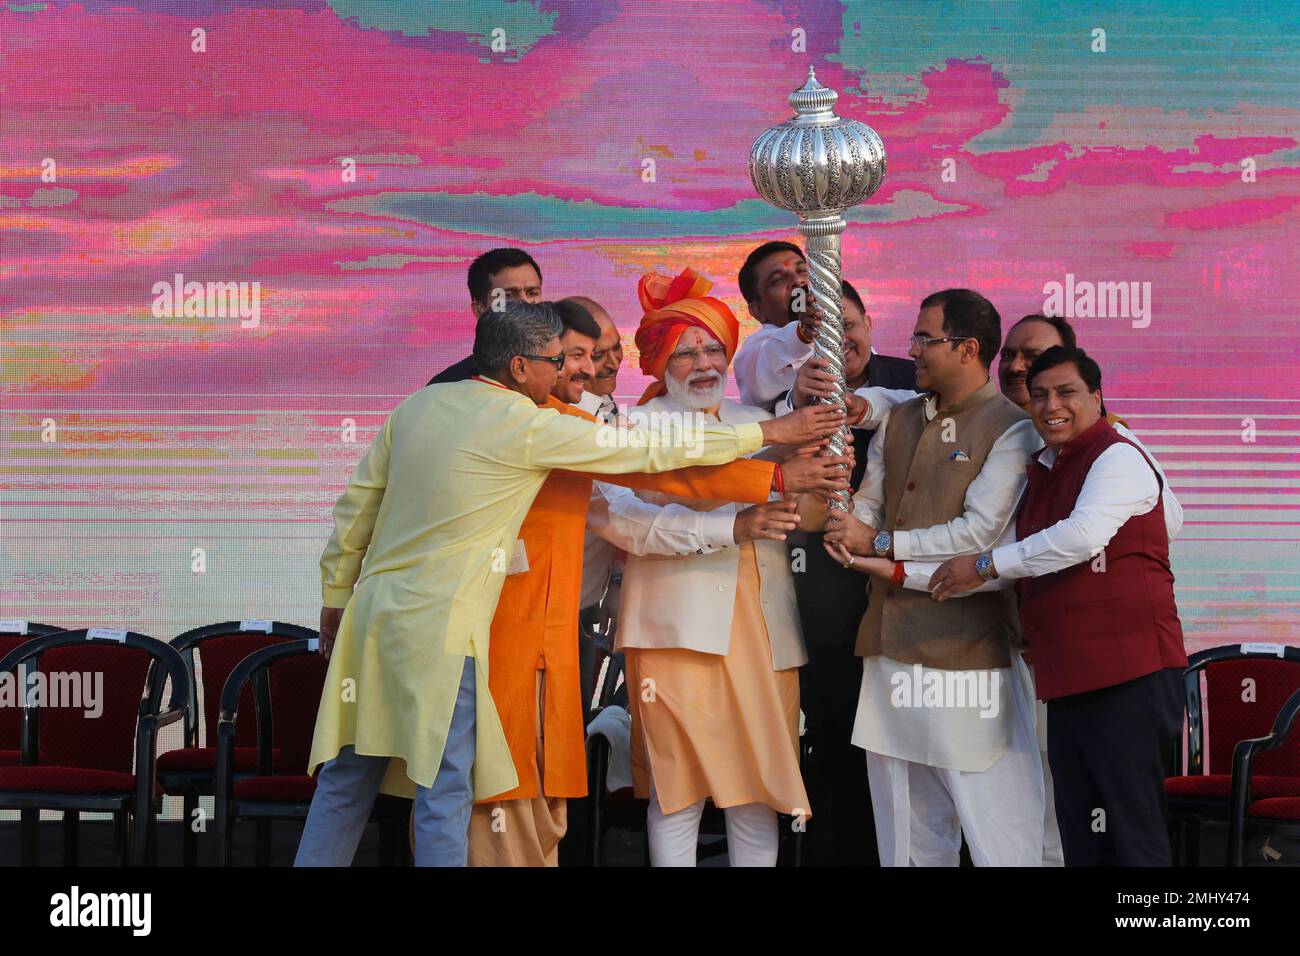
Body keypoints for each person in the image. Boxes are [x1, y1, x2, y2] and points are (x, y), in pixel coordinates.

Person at [294, 300, 844, 866]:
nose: (567, 372)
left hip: (372, 620)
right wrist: (771, 443)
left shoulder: (417, 407)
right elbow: (651, 453)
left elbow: (354, 512)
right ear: (518, 368)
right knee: (446, 787)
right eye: (557, 360)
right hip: (443, 628)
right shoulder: (528, 425)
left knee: (345, 782)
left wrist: (336, 600)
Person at [852, 309, 1184, 865]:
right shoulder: (1043, 463)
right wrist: (900, 572)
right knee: (1078, 825)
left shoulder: (1118, 452)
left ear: (1098, 396)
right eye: (1038, 390)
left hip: (1128, 672)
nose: (1051, 402)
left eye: (1066, 390)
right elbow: (1004, 560)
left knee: (1130, 829)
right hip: (1062, 670)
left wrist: (978, 564)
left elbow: (1079, 538)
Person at [587, 267, 823, 867]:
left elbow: (807, 505)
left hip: (765, 631)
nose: (703, 363)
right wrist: (731, 523)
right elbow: (622, 523)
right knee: (678, 791)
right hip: (673, 631)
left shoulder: (755, 424)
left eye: (713, 348)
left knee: (754, 792)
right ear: (659, 359)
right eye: (685, 351)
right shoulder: (632, 430)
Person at [816, 288, 1046, 866]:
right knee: (907, 832)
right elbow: (870, 504)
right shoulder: (899, 416)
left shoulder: (1014, 429)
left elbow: (979, 537)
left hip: (969, 652)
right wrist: (847, 525)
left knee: (996, 824)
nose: (913, 349)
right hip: (889, 642)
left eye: (926, 338)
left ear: (968, 349)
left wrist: (878, 544)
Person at [780, 279, 914, 866]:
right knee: (841, 745)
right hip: (830, 605)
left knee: (919, 752)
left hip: (919, 600)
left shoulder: (914, 381)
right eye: (819, 332)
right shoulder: (784, 398)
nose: (840, 340)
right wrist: (796, 404)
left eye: (849, 324)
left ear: (867, 322)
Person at [428, 248, 543, 384]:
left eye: (532, 293)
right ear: (479, 309)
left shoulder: (566, 373)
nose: (525, 303)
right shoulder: (447, 386)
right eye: (508, 296)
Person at [732, 241, 821, 410]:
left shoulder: (840, 331)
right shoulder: (754, 351)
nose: (797, 281)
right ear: (758, 311)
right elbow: (774, 352)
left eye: (802, 270)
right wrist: (803, 332)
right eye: (778, 280)